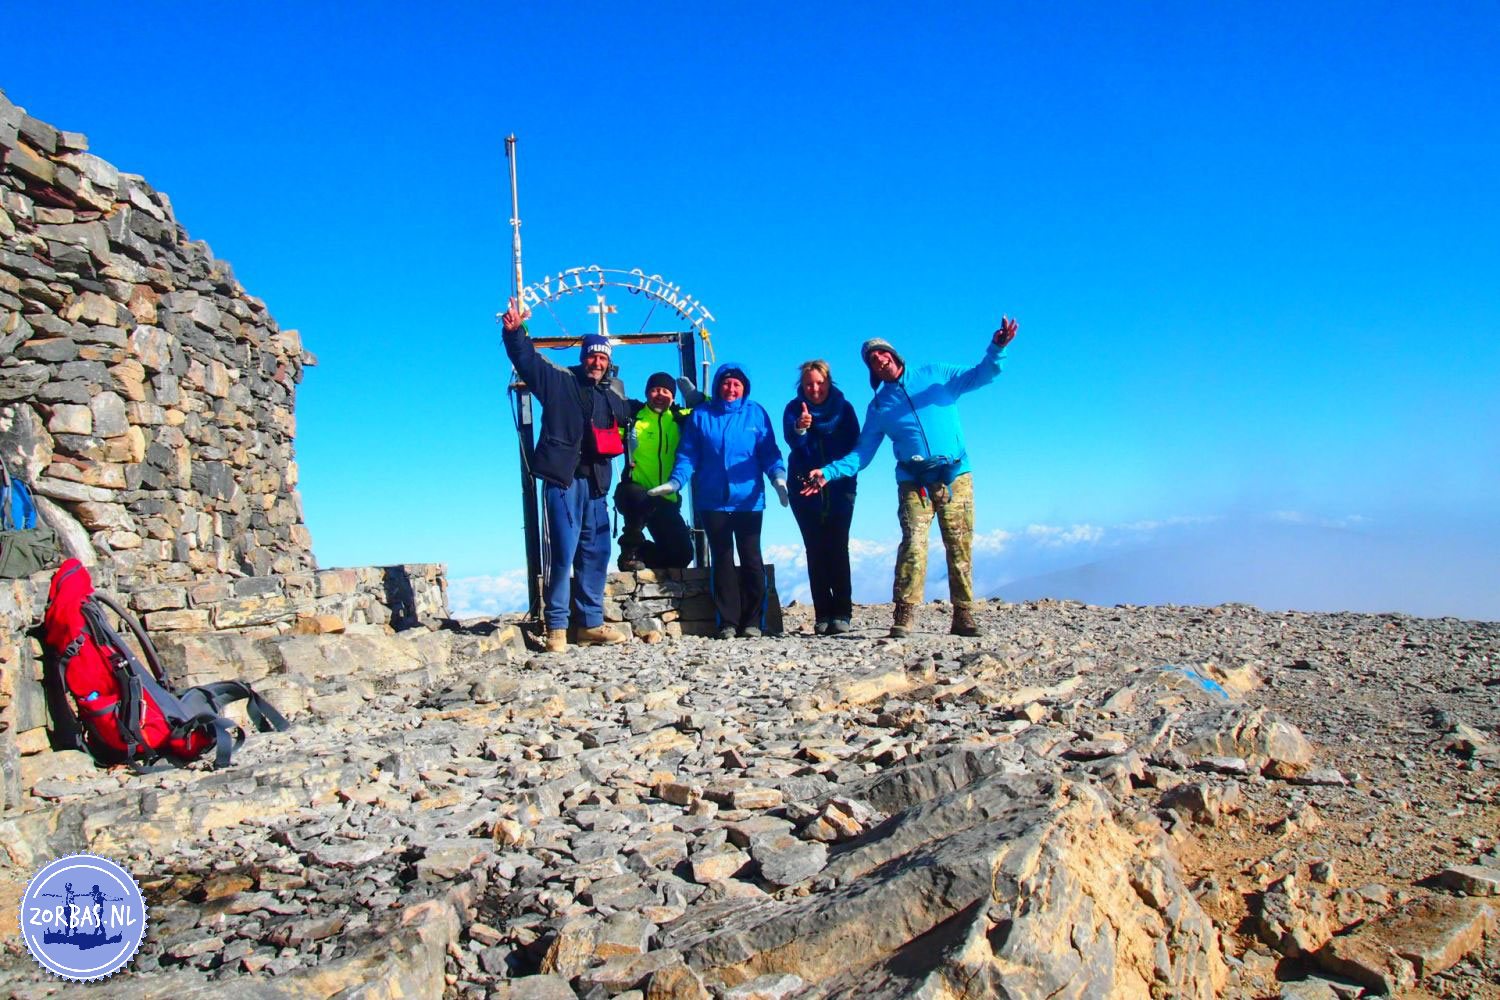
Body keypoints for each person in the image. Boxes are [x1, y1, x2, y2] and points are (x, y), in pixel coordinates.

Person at [803, 318, 1018, 638]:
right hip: (914, 482)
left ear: (894, 354)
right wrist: (828, 473)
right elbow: (862, 453)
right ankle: (904, 615)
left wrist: (997, 347)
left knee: (959, 546)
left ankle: (964, 615)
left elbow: (981, 374)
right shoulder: (879, 407)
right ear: (871, 371)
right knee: (914, 546)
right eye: (872, 360)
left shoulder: (935, 375)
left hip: (955, 475)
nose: (878, 359)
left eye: (881, 353)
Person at [502, 298, 631, 653]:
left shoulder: (612, 395)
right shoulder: (559, 381)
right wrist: (515, 332)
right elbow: (527, 360)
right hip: (563, 481)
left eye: (603, 358)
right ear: (583, 356)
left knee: (596, 552)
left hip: (596, 485)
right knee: (562, 552)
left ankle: (590, 624)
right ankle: (557, 627)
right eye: (592, 355)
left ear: (609, 363)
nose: (597, 362)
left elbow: (636, 415)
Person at [651, 362, 788, 639]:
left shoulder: (756, 414)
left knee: (751, 558)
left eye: (737, 384)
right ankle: (727, 621)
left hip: (748, 500)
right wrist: (676, 481)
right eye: (726, 383)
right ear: (717, 386)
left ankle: (752, 622)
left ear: (744, 388)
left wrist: (778, 478)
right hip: (712, 500)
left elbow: (769, 452)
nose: (731, 388)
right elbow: (688, 455)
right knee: (722, 559)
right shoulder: (702, 415)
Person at [782, 360, 860, 635]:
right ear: (801, 386)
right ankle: (822, 614)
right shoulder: (794, 409)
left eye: (819, 382)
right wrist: (801, 428)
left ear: (829, 382)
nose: (814, 388)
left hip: (839, 486)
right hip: (804, 487)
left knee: (838, 547)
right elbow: (794, 444)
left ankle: (842, 613)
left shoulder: (845, 409)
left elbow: (855, 446)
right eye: (808, 384)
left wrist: (834, 472)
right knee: (814, 549)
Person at [614, 372, 696, 572]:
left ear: (673, 396)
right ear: (647, 393)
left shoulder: (680, 418)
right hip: (637, 495)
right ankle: (629, 552)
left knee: (683, 555)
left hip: (666, 499)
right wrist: (612, 385)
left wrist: (698, 397)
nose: (660, 394)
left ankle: (642, 553)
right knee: (633, 494)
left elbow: (713, 411)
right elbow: (606, 419)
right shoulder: (632, 416)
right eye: (655, 389)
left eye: (666, 390)